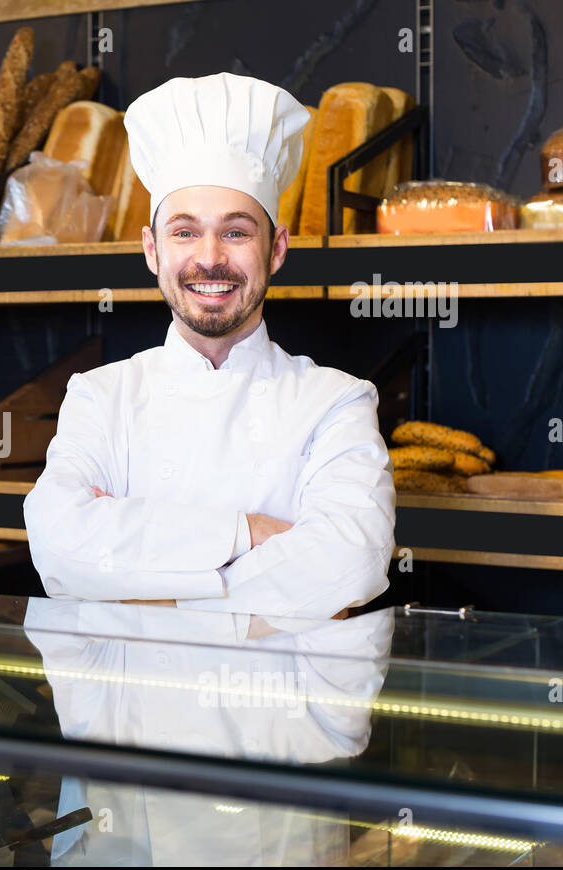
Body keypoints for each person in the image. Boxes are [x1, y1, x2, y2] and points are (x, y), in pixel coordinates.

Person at [23, 72, 395, 619]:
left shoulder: (336, 403)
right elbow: (57, 545)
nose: (210, 257)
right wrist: (249, 532)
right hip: (128, 706)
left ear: (277, 250)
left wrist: (144, 587)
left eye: (237, 232)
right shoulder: (100, 396)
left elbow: (349, 564)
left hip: (272, 704)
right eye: (184, 231)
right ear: (152, 250)